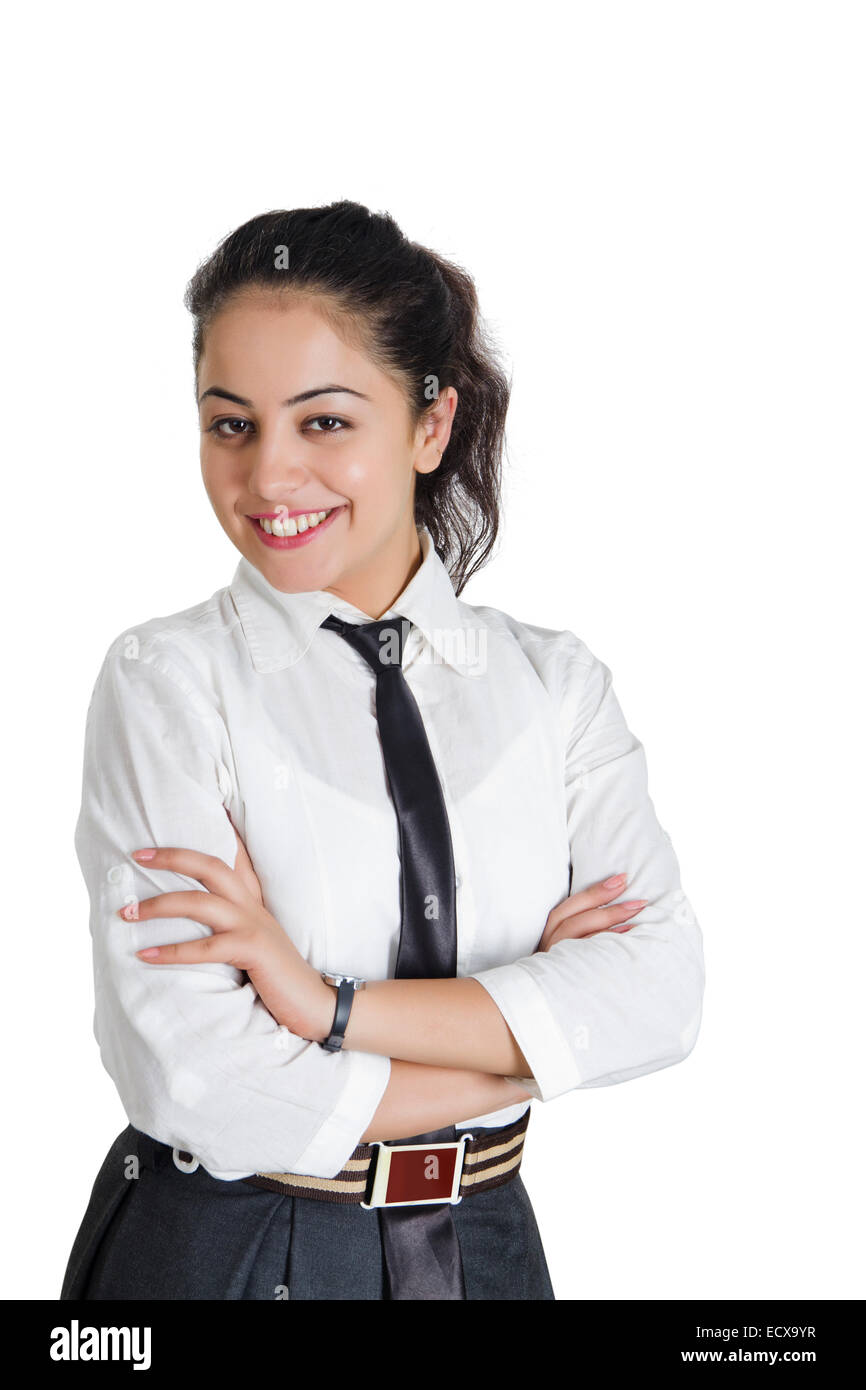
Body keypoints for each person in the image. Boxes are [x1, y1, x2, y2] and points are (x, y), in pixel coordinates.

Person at [60, 200, 705, 1301]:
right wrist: (537, 1040)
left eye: (322, 423)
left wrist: (323, 1009)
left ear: (428, 426)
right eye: (231, 424)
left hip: (488, 1241)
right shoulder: (167, 685)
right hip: (235, 1245)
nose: (267, 477)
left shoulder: (554, 690)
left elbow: (659, 995)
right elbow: (200, 1079)